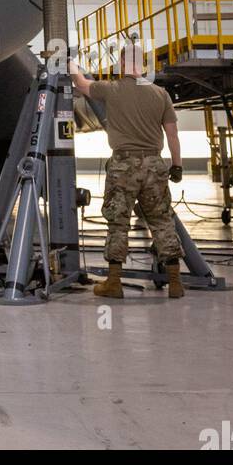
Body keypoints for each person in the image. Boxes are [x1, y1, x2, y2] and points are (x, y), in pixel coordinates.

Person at [70, 41, 184, 300]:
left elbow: (82, 85)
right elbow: (173, 134)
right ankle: (175, 282)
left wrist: (68, 63)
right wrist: (176, 165)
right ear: (143, 64)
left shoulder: (112, 89)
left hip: (123, 165)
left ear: (121, 64)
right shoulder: (160, 94)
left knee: (118, 223)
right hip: (155, 165)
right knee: (161, 221)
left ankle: (114, 282)